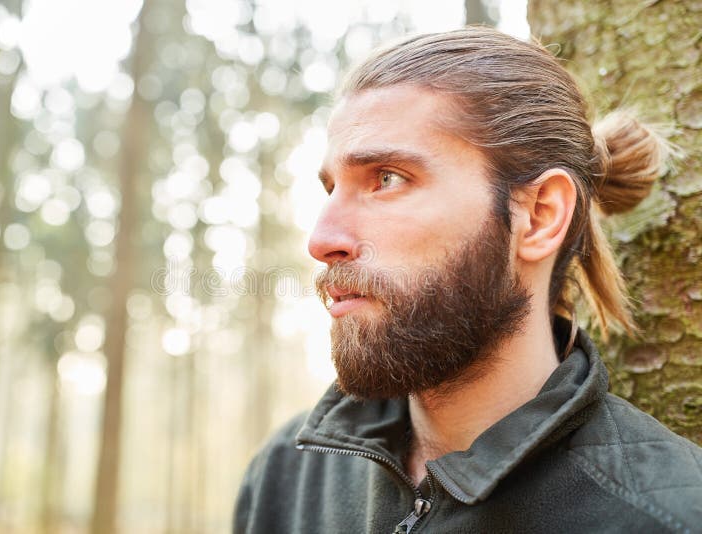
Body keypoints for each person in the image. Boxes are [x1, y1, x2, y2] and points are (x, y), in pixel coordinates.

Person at [233, 27, 702, 534]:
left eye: (386, 178)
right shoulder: (286, 478)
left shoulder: (665, 516)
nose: (322, 240)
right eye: (331, 188)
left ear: (540, 215)